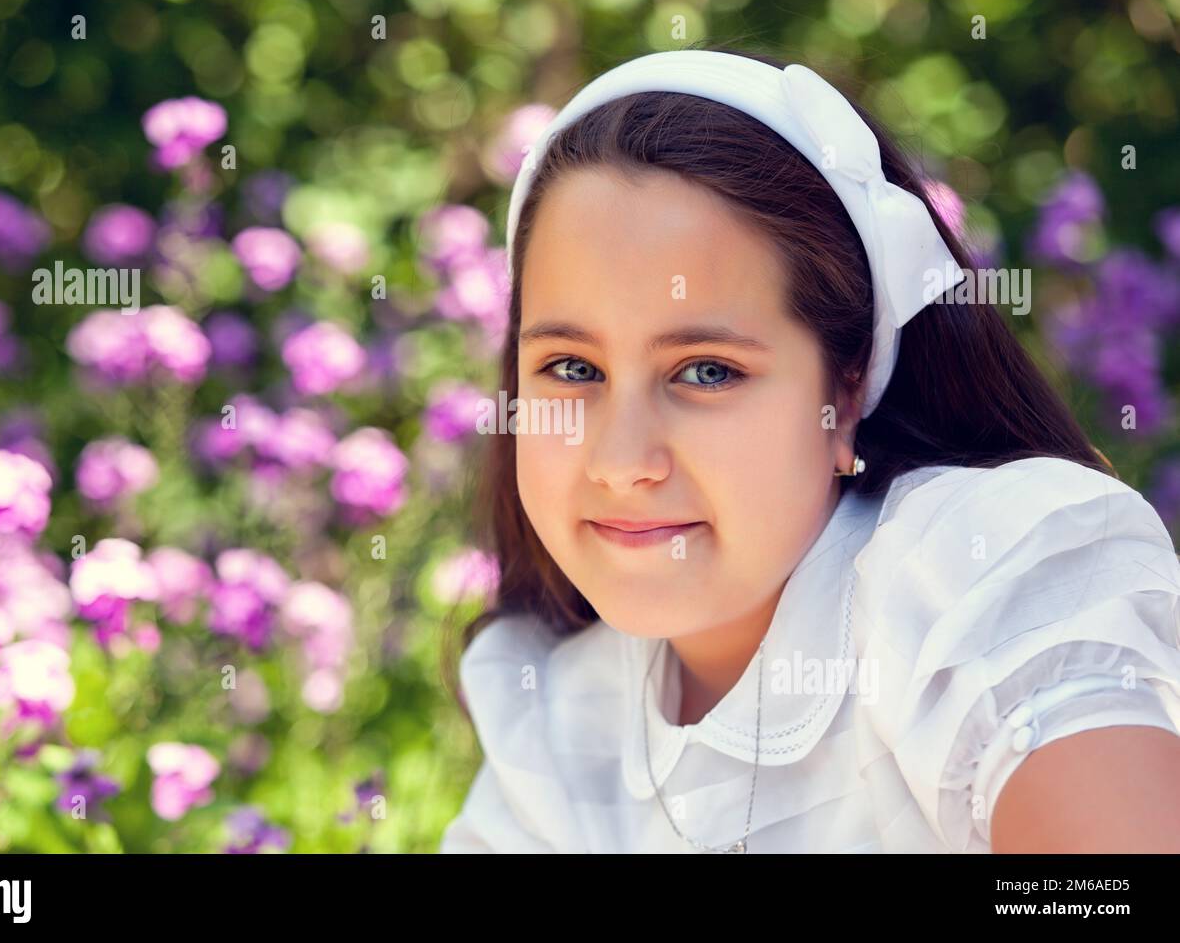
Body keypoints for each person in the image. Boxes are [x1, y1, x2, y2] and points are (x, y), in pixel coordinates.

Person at [438, 45, 1180, 853]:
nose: (621, 460)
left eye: (707, 371)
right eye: (572, 368)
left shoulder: (971, 576)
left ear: (844, 391)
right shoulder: (557, 727)